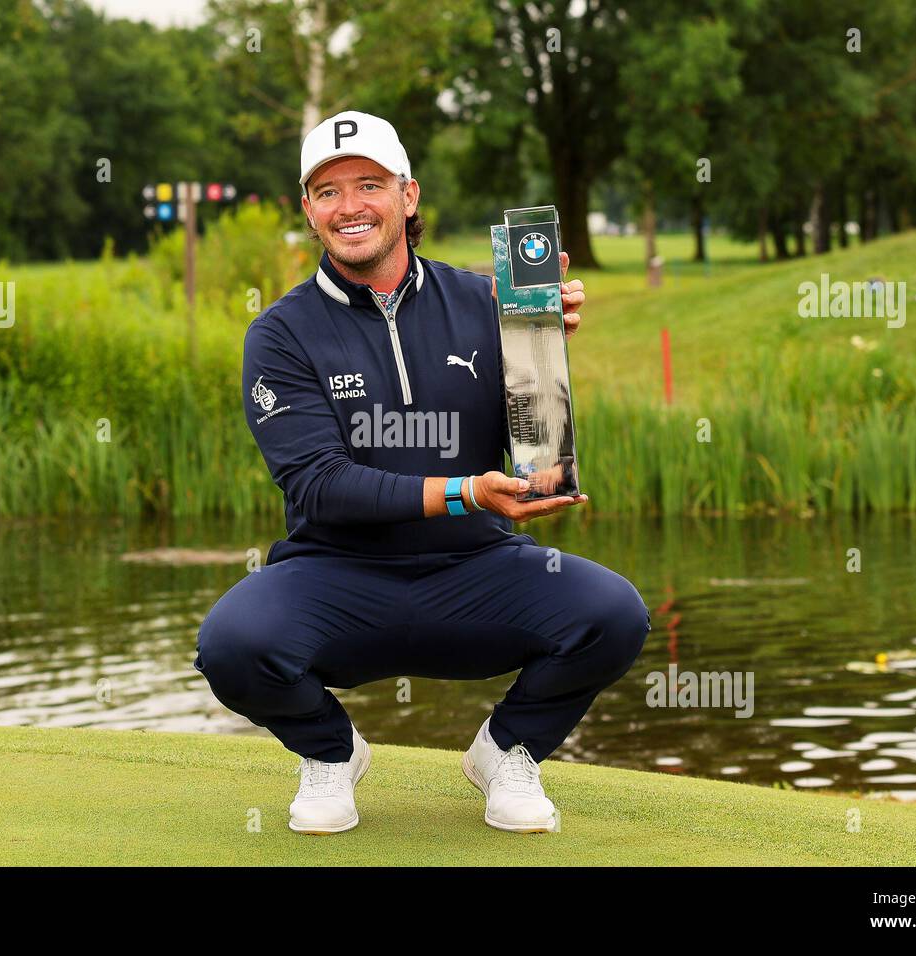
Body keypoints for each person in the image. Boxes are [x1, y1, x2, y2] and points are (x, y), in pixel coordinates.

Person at [194, 110, 650, 834]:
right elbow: (320, 484)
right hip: (335, 577)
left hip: (478, 571)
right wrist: (467, 492)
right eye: (328, 191)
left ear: (408, 196)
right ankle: (331, 752)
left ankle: (508, 752)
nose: (350, 207)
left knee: (613, 614)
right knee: (231, 644)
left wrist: (540, 350)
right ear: (308, 211)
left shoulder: (485, 301)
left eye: (368, 184)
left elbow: (535, 448)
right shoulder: (280, 333)